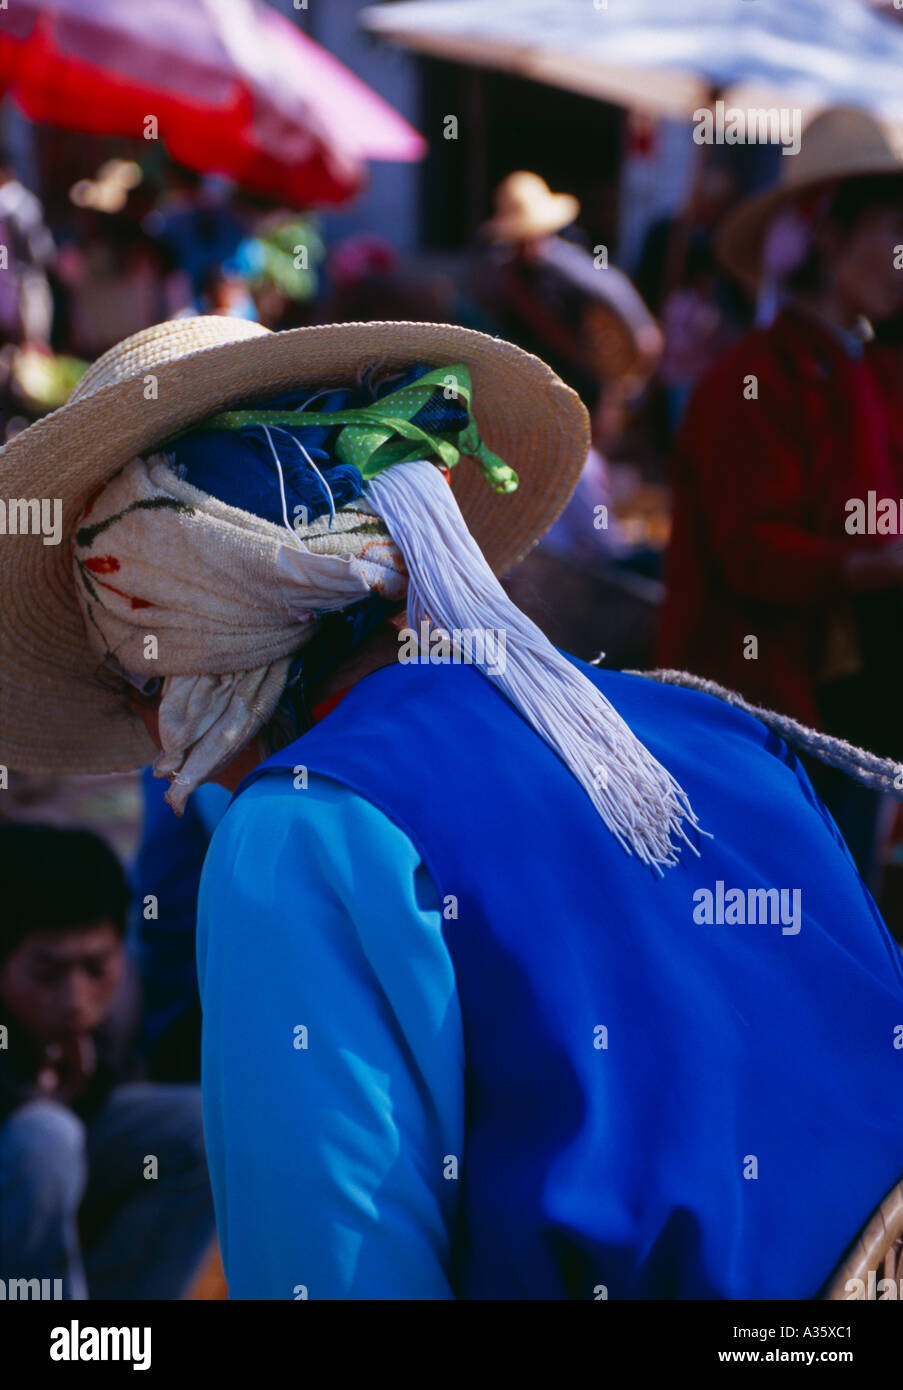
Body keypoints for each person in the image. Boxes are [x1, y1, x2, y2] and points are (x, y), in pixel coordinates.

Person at [2, 313, 903, 1301]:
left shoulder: (298, 831)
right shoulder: (719, 732)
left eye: (139, 688)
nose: (163, 752)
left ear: (200, 635)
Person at [658, 106, 903, 882]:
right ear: (829, 237)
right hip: (760, 726)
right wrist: (873, 566)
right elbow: (750, 556)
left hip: (846, 713)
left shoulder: (862, 370)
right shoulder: (752, 382)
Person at [0, 824, 216, 1298]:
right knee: (44, 1138)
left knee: (203, 1126)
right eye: (47, 972)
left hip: (70, 1162)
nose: (77, 1000)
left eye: (96, 968)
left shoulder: (119, 1002)